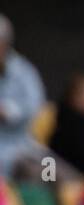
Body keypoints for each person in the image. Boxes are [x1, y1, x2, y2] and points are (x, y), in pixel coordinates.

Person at [0, 15, 45, 176]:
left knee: (54, 171)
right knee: (35, 174)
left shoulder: (23, 70)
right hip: (5, 156)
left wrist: (8, 111)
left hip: (24, 145)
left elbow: (35, 106)